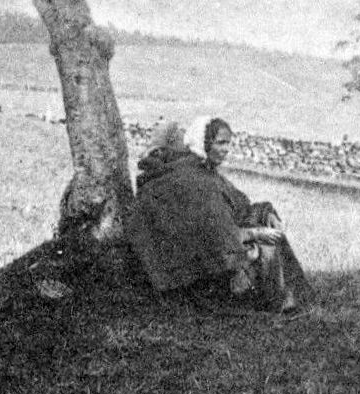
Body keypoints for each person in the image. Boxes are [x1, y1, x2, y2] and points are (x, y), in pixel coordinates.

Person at [128, 115, 309, 313]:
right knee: (267, 245)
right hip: (200, 273)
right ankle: (281, 305)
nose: (226, 149)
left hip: (213, 255)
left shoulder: (202, 172)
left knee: (268, 228)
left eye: (228, 143)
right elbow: (214, 233)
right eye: (220, 143)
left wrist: (267, 213)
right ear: (204, 143)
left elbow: (239, 208)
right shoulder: (190, 178)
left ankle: (290, 301)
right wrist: (255, 234)